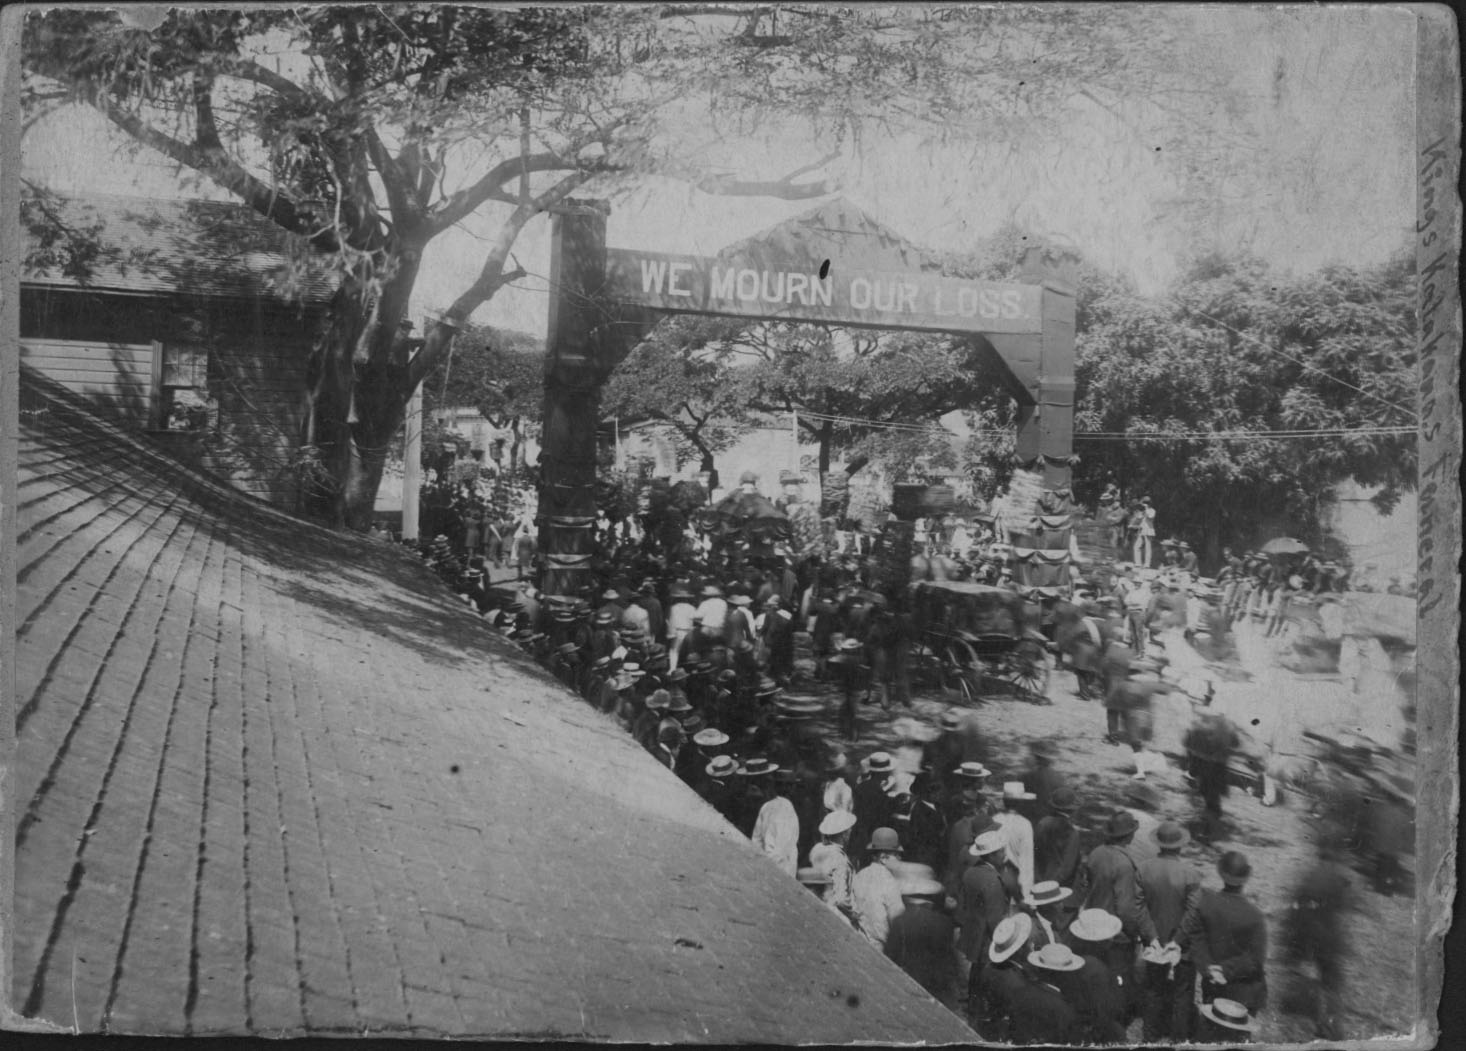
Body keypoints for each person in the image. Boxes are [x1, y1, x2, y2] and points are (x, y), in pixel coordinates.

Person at [1136, 821, 1202, 1042]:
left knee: (1153, 989)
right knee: (1182, 995)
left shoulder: (1144, 869)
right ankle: (1178, 1039)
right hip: (1181, 947)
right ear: (1180, 846)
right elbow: (1193, 912)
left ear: (1159, 845)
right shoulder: (1190, 874)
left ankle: (1149, 1036)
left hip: (1153, 942)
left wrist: (1151, 937)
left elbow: (1139, 906)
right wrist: (1178, 940)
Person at [1183, 851, 1269, 1017]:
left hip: (1214, 986)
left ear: (1221, 873)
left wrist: (1209, 969)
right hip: (1244, 991)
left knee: (1212, 1030)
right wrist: (1225, 969)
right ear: (1247, 876)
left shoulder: (1206, 904)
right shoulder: (1255, 915)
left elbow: (1196, 941)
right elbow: (1256, 959)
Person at [957, 831, 1012, 1011]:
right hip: (986, 937)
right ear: (992, 855)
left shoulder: (971, 871)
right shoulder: (992, 880)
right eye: (1001, 851)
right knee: (986, 974)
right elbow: (995, 918)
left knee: (976, 970)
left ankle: (971, 1000)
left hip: (972, 930)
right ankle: (979, 1008)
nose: (1004, 854)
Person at [884, 876, 958, 1005]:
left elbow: (890, 955)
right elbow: (948, 960)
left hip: (907, 983)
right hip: (935, 987)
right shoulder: (944, 923)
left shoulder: (899, 921)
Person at [973, 914, 1032, 1041]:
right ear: (1019, 949)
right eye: (1026, 942)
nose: (1030, 945)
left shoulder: (988, 968)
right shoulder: (1018, 981)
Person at [852, 827, 907, 951]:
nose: (900, 859)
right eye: (897, 855)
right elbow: (898, 923)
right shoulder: (890, 882)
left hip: (860, 944)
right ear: (883, 858)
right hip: (882, 950)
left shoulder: (859, 876)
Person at [810, 810, 861, 930]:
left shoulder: (817, 850)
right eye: (849, 831)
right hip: (835, 915)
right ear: (844, 834)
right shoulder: (839, 859)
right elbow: (841, 899)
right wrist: (853, 914)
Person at [749, 763, 800, 876]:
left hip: (767, 864)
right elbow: (782, 847)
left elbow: (756, 840)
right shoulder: (785, 807)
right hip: (779, 867)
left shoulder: (766, 806)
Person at [992, 782, 1037, 899]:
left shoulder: (995, 819)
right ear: (1021, 802)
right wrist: (1026, 894)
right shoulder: (1024, 825)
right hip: (1016, 885)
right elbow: (1026, 861)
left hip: (995, 879)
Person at [1034, 787, 1083, 889]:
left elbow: (1035, 853)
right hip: (1059, 887)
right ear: (1072, 809)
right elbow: (1067, 867)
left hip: (1039, 881)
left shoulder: (1042, 823)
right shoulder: (1071, 832)